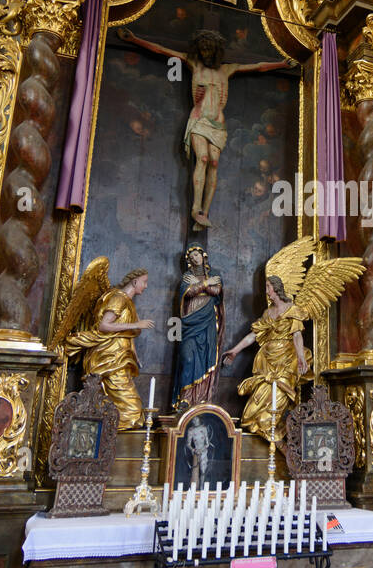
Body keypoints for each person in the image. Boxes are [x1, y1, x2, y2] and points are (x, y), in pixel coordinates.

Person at [120, 27, 292, 229]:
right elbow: (161, 50)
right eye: (203, 49)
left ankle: (205, 212)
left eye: (209, 49)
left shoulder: (227, 70)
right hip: (199, 120)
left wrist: (281, 63)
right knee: (202, 158)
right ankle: (195, 208)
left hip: (218, 124)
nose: (206, 53)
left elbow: (258, 67)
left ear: (217, 50)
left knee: (214, 164)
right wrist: (135, 39)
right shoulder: (194, 64)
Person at [222, 276, 309, 441]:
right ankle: (277, 443)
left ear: (276, 288)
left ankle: (281, 445)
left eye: (268, 286)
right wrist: (235, 350)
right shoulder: (267, 313)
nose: (266, 291)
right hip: (267, 365)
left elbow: (297, 335)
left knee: (271, 413)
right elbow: (253, 336)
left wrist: (300, 357)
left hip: (285, 365)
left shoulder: (292, 309)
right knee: (250, 415)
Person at [65, 269, 155, 429]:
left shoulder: (127, 302)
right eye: (144, 281)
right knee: (132, 409)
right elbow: (104, 325)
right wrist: (136, 324)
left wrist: (134, 355)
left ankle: (106, 436)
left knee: (114, 406)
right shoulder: (118, 298)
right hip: (109, 359)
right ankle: (111, 439)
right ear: (135, 282)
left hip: (119, 359)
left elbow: (126, 335)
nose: (146, 286)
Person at [170, 244, 224, 410]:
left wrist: (200, 285)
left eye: (197, 254)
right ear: (189, 261)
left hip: (208, 322)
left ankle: (202, 399)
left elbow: (216, 291)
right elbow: (189, 293)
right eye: (192, 256)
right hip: (189, 322)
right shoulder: (187, 276)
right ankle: (185, 398)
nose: (195, 258)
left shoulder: (214, 274)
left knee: (206, 357)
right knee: (187, 357)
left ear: (203, 255)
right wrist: (206, 284)